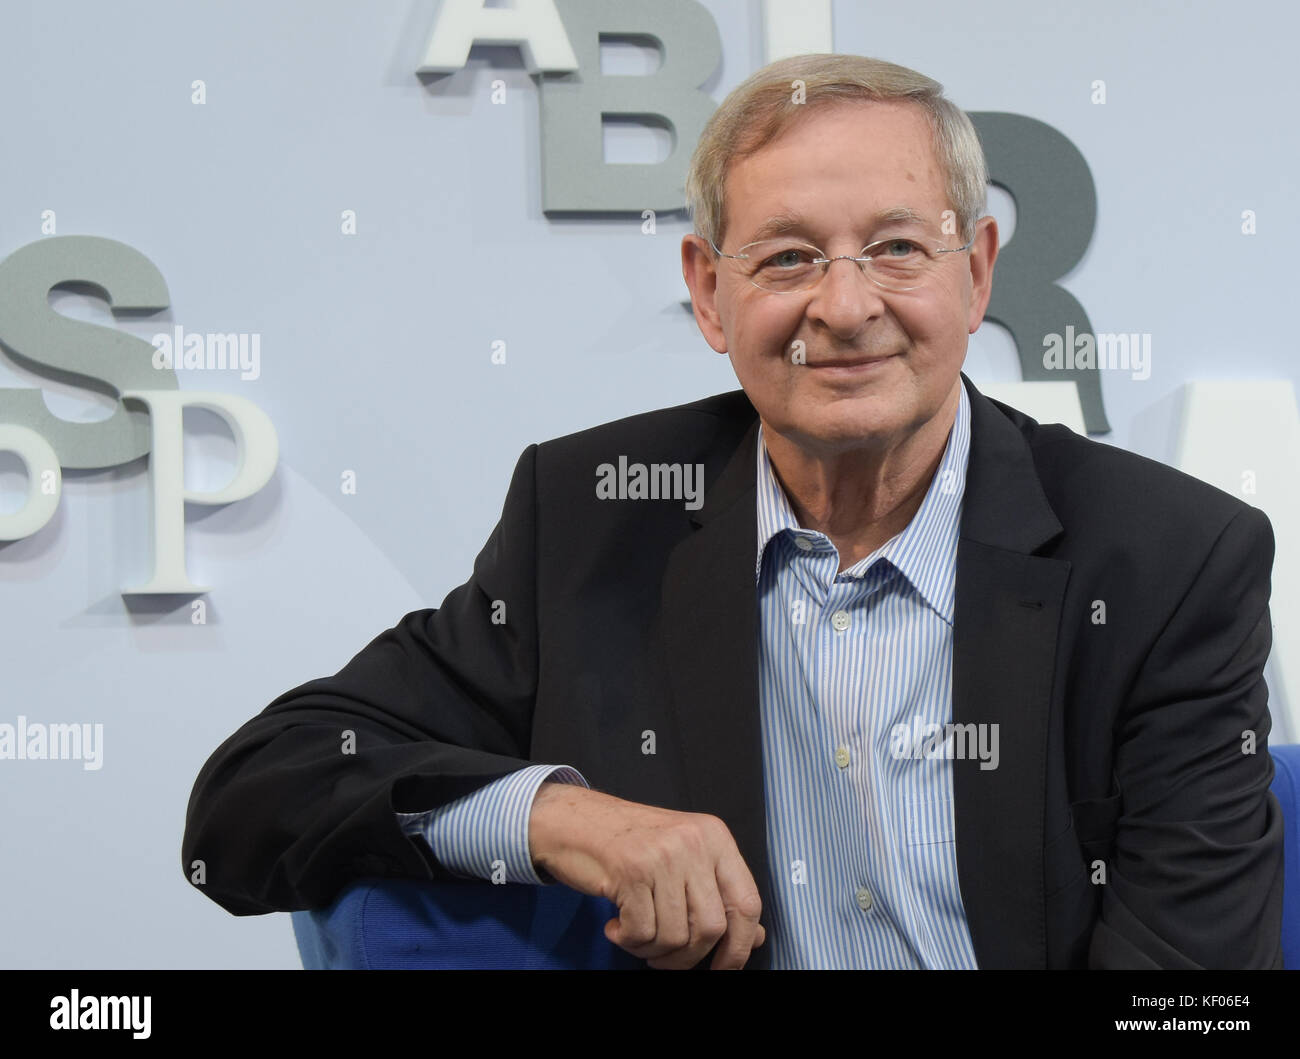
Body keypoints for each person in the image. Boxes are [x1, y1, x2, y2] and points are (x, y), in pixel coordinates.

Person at [182, 53, 1285, 969]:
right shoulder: (592, 518)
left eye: (897, 248)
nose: (844, 306)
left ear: (977, 272)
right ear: (711, 293)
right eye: (788, 257)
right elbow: (256, 791)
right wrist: (563, 816)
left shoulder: (1168, 561)